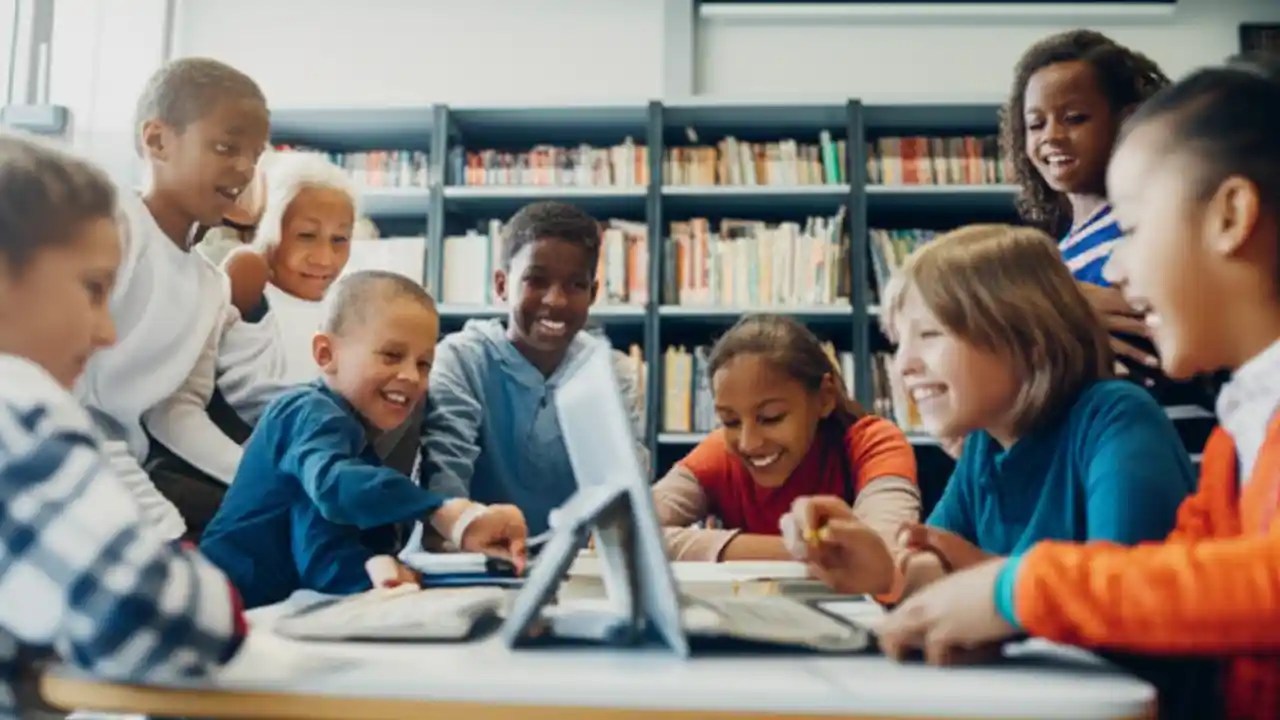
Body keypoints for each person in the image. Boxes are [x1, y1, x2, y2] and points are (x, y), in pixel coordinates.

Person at [877, 58, 1280, 720]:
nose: (1115, 266)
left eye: (1133, 228)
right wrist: (991, 595)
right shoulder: (1241, 436)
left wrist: (1018, 591)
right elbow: (1165, 589)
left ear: (1231, 215)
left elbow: (1263, 586)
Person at [796, 224, 1194, 598]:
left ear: (1030, 341)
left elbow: (1120, 594)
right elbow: (931, 563)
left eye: (931, 334)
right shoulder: (985, 445)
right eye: (899, 342)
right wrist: (881, 568)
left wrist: (967, 570)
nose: (904, 366)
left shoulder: (1116, 419)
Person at [0, 132, 247, 719]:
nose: (107, 332)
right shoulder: (17, 405)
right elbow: (148, 618)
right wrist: (216, 596)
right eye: (93, 290)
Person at [200, 271, 528, 609]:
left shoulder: (353, 440)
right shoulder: (305, 413)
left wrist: (380, 575)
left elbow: (322, 557)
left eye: (424, 363)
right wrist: (438, 509)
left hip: (269, 617)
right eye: (391, 355)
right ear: (326, 353)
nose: (411, 376)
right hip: (219, 611)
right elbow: (334, 486)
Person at [73, 57, 273, 540]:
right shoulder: (111, 225)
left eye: (256, 154)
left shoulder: (211, 285)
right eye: (226, 147)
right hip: (65, 464)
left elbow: (175, 410)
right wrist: (161, 524)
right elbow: (67, 396)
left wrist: (266, 480)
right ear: (157, 140)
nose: (245, 169)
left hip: (128, 471)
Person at [422, 201, 646, 537]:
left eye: (575, 285)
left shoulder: (613, 374)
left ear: (593, 292)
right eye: (536, 281)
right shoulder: (460, 361)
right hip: (474, 559)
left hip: (579, 566)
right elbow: (441, 496)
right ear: (501, 285)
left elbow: (624, 501)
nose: (555, 300)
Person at [652, 315, 917, 588]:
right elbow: (625, 532)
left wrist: (733, 549)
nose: (748, 443)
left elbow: (884, 555)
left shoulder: (873, 444)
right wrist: (803, 550)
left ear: (825, 398)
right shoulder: (720, 452)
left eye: (771, 417)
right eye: (730, 421)